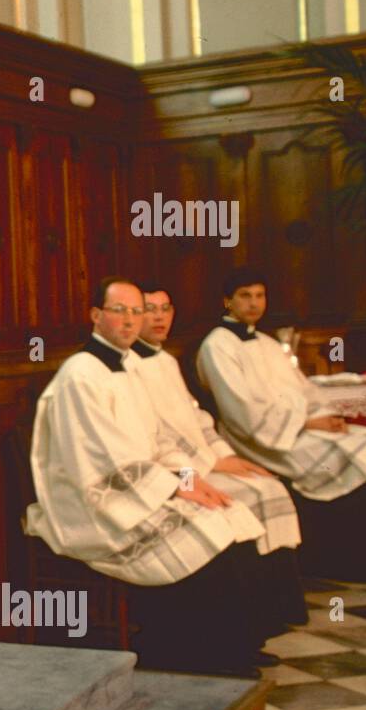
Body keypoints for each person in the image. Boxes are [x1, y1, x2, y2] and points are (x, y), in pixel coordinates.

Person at [24, 277, 276, 677]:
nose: (129, 321)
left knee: (230, 516)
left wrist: (190, 480)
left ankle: (236, 645)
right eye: (118, 311)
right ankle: (192, 655)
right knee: (202, 532)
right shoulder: (80, 375)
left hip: (141, 488)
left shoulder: (131, 370)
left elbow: (159, 440)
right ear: (96, 315)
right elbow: (101, 460)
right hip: (96, 504)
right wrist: (173, 487)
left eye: (136, 311)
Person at [130, 284, 307, 632]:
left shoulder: (165, 360)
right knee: (240, 499)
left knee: (267, 486)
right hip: (173, 472)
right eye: (150, 309)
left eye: (166, 308)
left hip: (201, 461)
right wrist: (205, 467)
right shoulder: (128, 367)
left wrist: (226, 457)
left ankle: (275, 614)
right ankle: (243, 624)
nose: (160, 317)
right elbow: (154, 437)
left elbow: (196, 419)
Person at [196, 267, 366, 581]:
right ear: (227, 301)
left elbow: (305, 390)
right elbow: (243, 414)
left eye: (260, 295)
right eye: (245, 296)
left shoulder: (267, 343)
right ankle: (360, 562)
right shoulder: (217, 346)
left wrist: (328, 416)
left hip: (300, 429)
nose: (254, 303)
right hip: (267, 442)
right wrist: (310, 423)